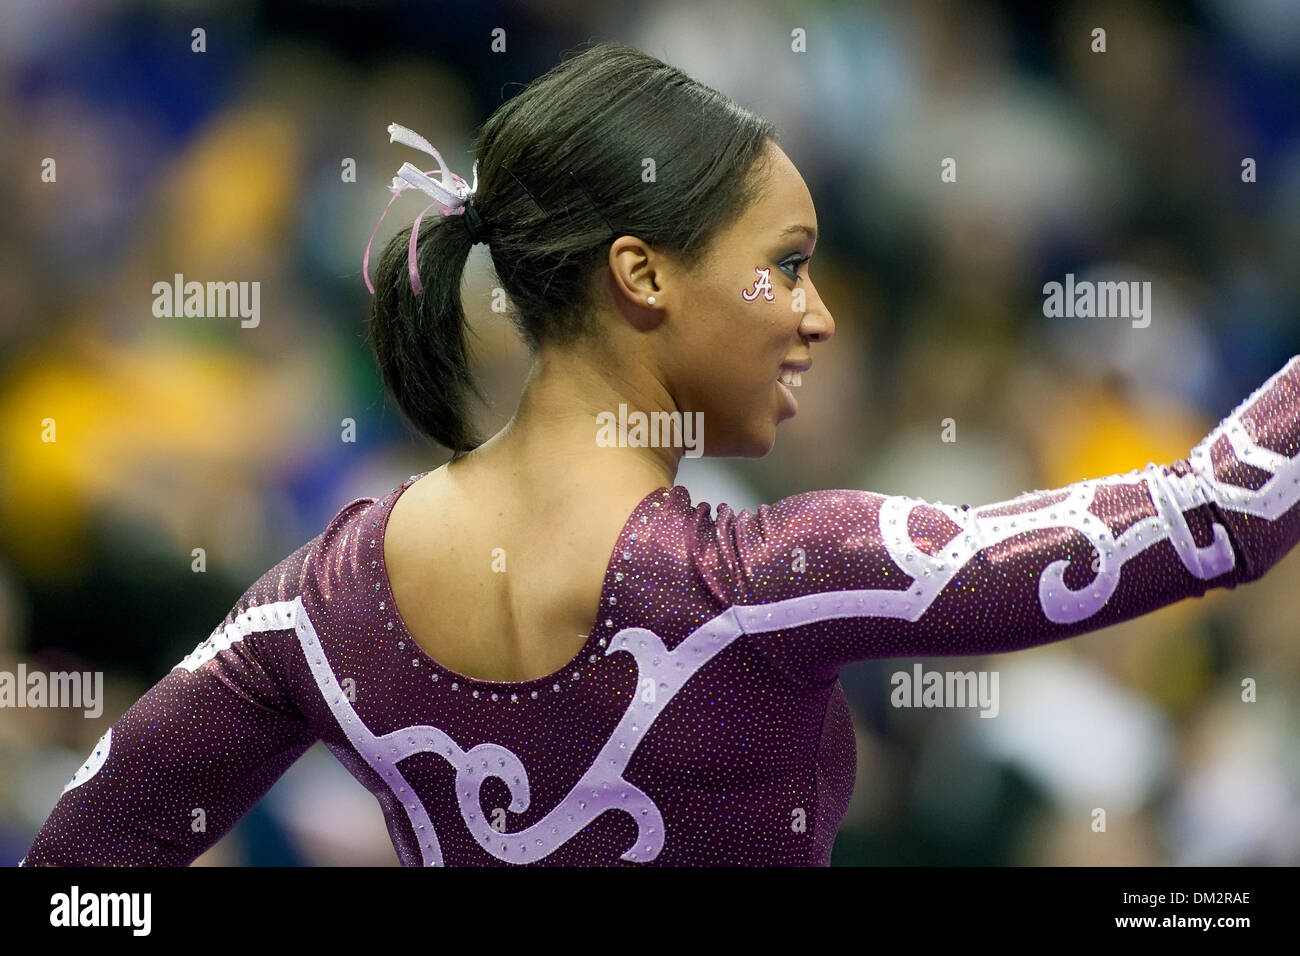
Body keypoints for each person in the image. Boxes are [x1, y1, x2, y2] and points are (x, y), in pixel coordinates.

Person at [22, 41, 1300, 866]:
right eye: (786, 265)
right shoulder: (761, 580)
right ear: (641, 274)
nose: (820, 314)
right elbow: (1216, 514)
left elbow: (81, 876)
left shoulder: (317, 605)